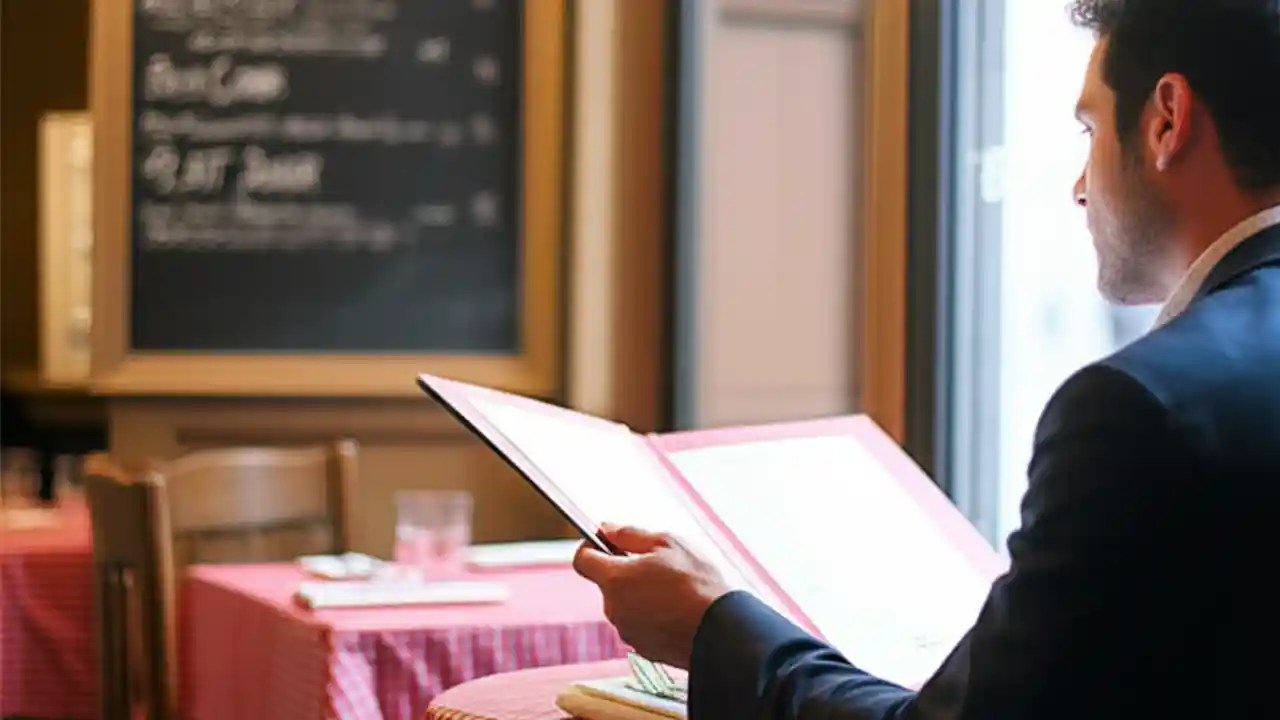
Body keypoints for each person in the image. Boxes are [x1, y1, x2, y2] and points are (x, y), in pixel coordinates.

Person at [572, 0, 1280, 717]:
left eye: (1088, 129)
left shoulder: (1139, 409)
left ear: (1166, 119)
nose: (1078, 186)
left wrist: (712, 628)